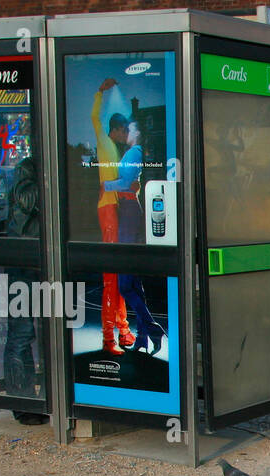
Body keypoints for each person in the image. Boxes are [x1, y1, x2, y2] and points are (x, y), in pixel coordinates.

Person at [104, 115, 166, 354]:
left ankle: (152, 329)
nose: (125, 133)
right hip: (128, 210)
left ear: (137, 133)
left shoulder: (134, 153)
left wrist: (104, 185)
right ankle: (143, 336)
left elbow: (125, 182)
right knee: (133, 283)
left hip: (129, 211)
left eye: (129, 129)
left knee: (125, 283)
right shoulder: (132, 153)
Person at [2, 157, 48, 426]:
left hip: (45, 261)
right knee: (21, 332)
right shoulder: (28, 168)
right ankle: (22, 402)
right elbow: (27, 199)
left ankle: (49, 396)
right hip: (24, 263)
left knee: (50, 332)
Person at [92, 78, 132, 355]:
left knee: (120, 275)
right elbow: (95, 117)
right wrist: (100, 92)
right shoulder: (104, 141)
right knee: (112, 277)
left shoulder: (114, 150)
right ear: (115, 129)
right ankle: (110, 337)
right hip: (108, 210)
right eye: (124, 131)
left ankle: (123, 329)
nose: (126, 135)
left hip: (114, 208)